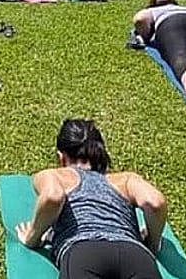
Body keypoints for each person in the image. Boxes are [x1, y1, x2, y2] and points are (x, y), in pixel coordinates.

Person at [17, 119, 167, 279]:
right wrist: (152, 243)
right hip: (134, 255)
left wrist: (32, 237)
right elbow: (155, 203)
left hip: (83, 252)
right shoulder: (126, 179)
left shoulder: (54, 175)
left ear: (60, 157)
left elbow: (52, 197)